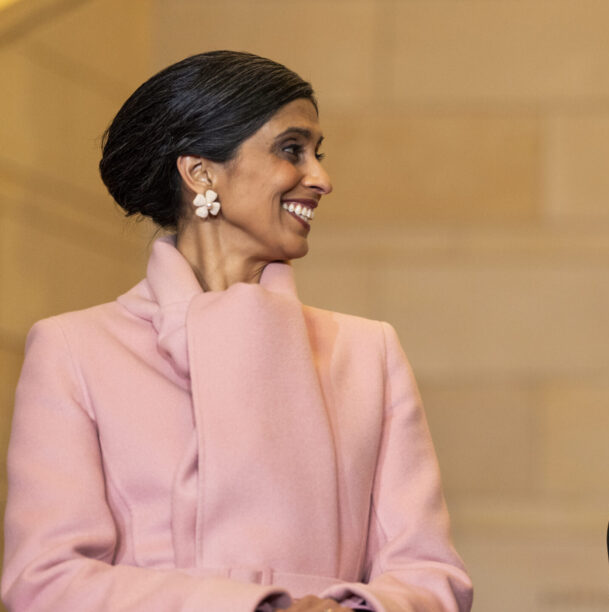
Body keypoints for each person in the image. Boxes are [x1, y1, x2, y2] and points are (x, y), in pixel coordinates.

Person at [2, 51, 472, 612]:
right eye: (291, 149)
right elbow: (44, 581)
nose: (322, 179)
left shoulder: (368, 352)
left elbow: (428, 573)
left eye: (317, 154)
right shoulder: (75, 349)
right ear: (201, 172)